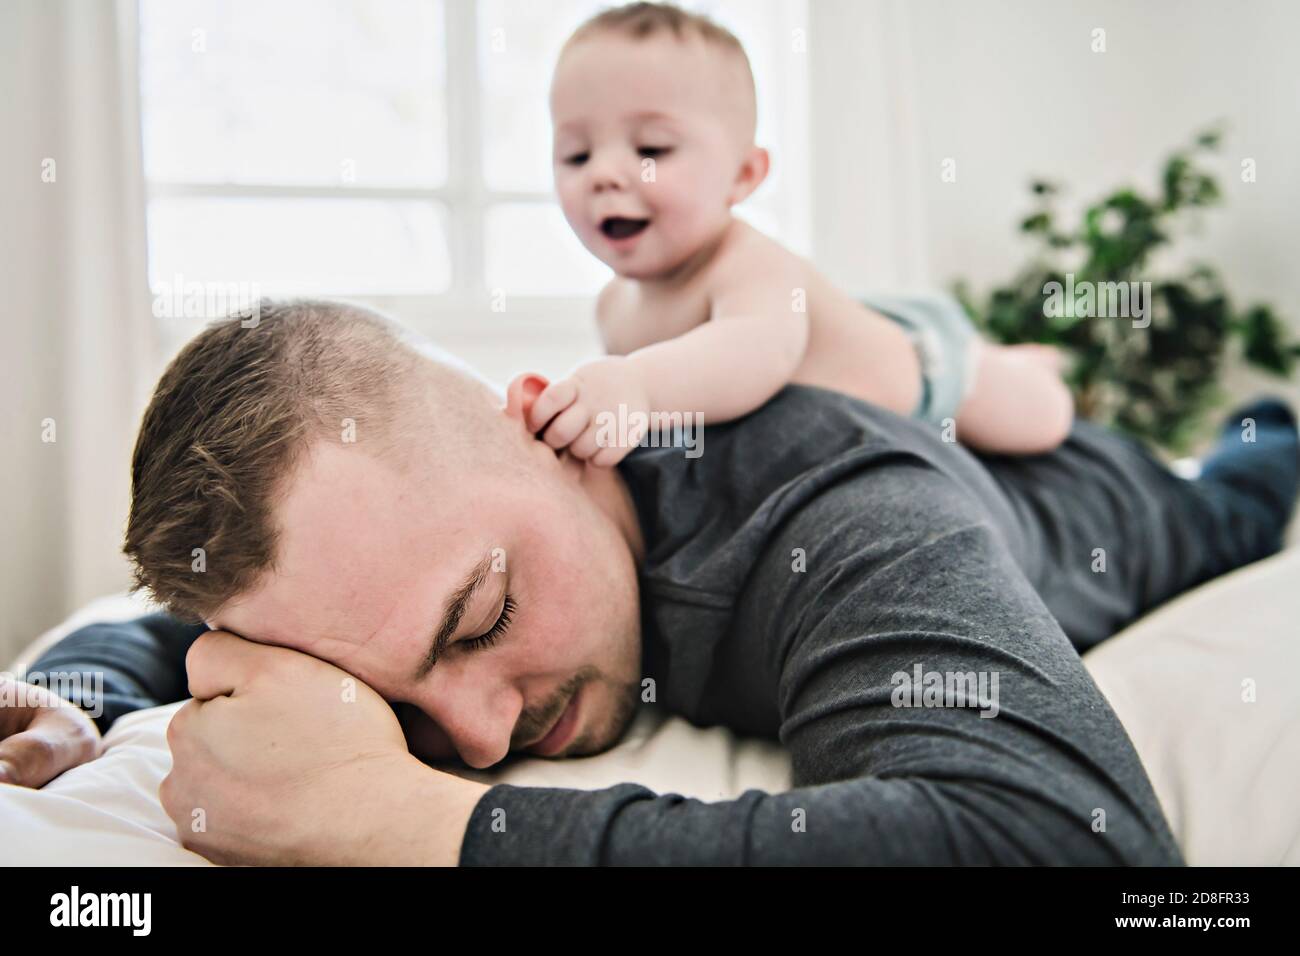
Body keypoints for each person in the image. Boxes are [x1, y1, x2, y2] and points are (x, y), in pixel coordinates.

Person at [6, 299, 1297, 865]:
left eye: (484, 620)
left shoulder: (824, 504)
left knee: (1241, 479)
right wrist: (74, 692)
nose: (478, 731)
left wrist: (401, 823)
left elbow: (1059, 847)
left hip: (1115, 506)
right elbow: (158, 631)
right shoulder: (401, 578)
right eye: (393, 705)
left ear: (548, 428)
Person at [533, 2, 1074, 465]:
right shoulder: (612, 306)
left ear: (743, 175)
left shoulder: (747, 263)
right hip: (848, 328)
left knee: (1038, 421)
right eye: (575, 154)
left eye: (651, 148)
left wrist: (637, 388)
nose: (603, 174)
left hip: (925, 370)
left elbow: (753, 356)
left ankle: (1017, 364)